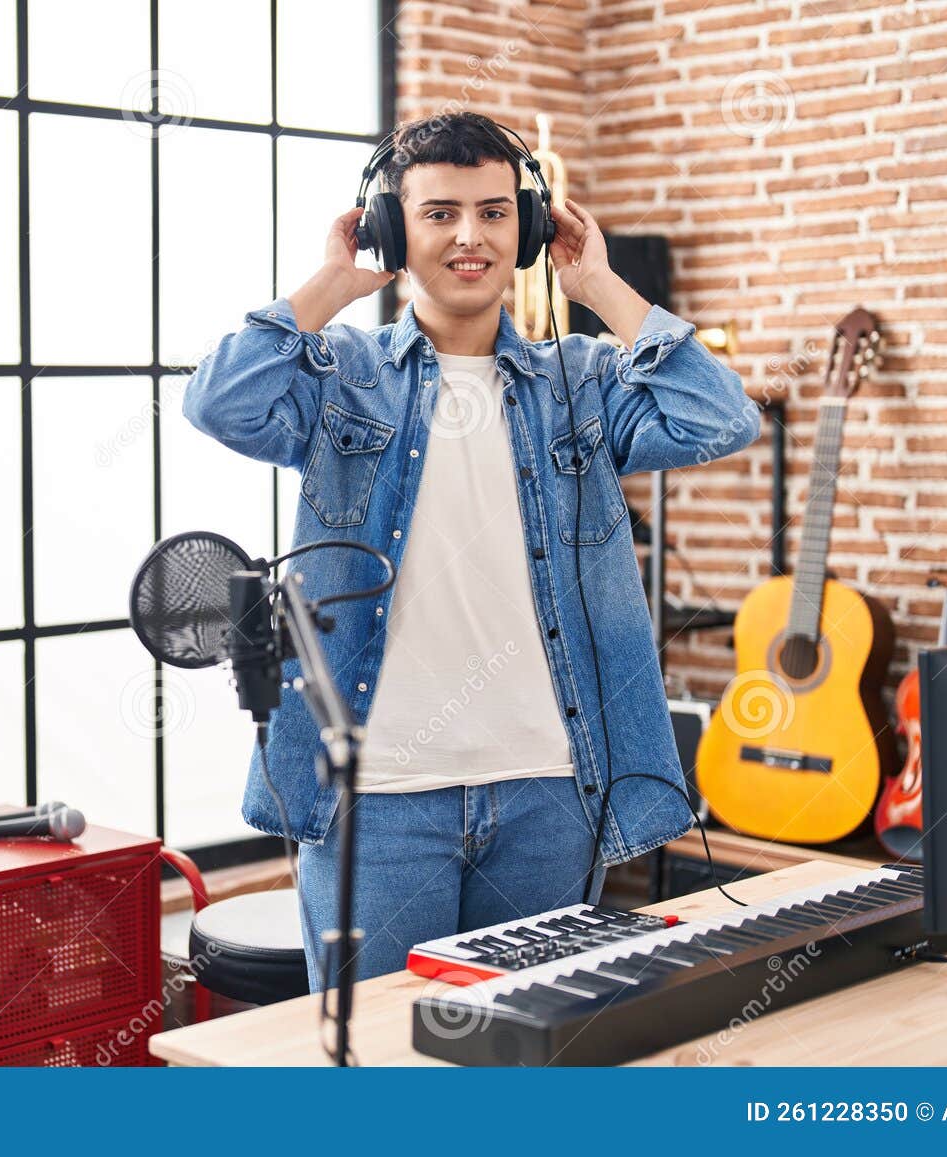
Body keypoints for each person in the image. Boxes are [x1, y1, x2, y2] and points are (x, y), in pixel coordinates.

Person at [182, 112, 761, 991]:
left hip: (550, 792)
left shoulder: (581, 380)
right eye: (440, 213)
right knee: (378, 1055)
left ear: (526, 229)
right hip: (377, 801)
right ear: (391, 228)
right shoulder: (343, 375)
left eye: (495, 213)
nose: (470, 236)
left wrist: (599, 286)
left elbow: (721, 417)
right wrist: (333, 283)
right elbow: (218, 401)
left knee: (527, 1051)